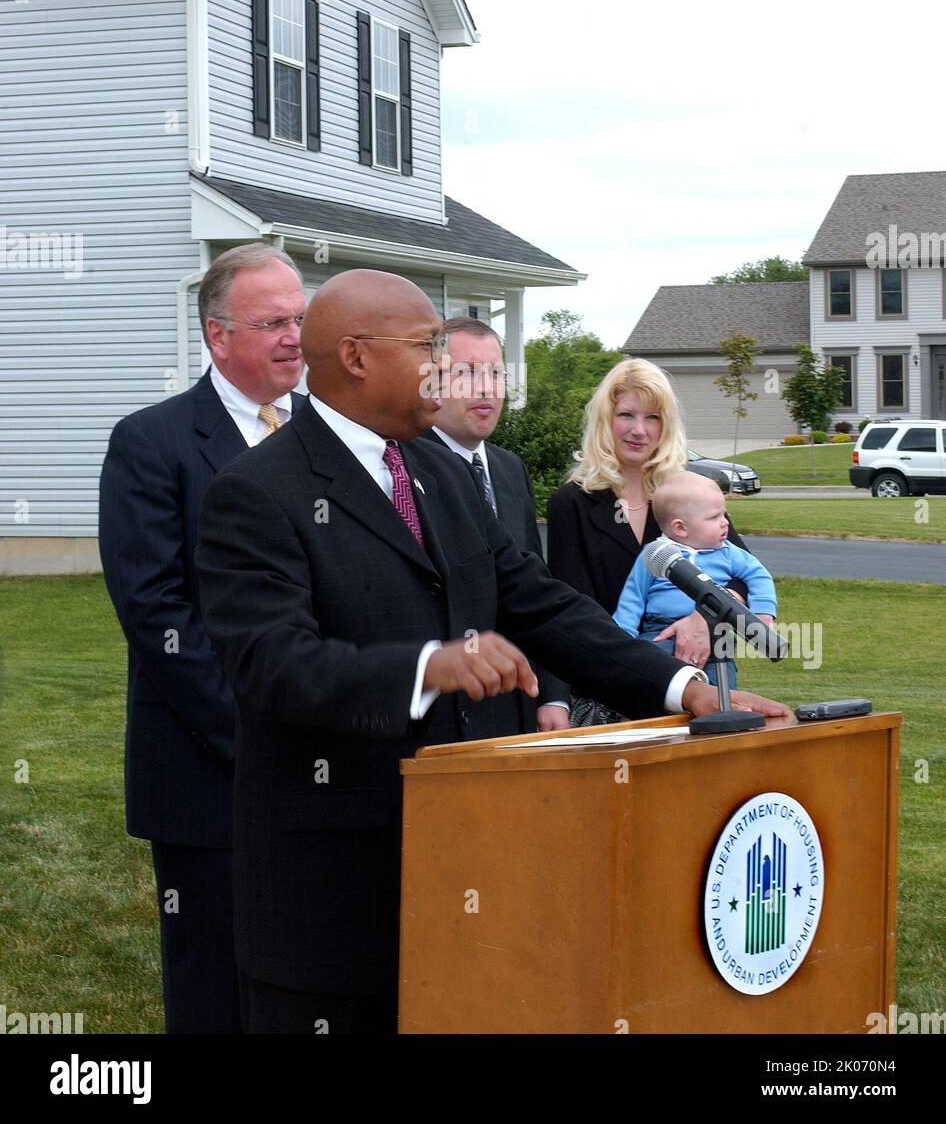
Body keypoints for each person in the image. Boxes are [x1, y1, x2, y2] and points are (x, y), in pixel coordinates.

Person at [194, 270, 789, 1034]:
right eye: (426, 348)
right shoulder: (256, 492)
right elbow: (272, 667)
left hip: (469, 865)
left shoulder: (439, 473)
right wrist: (425, 668)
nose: (444, 368)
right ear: (354, 356)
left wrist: (683, 690)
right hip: (333, 895)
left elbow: (538, 603)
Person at [98, 243, 308, 1033]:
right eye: (274, 322)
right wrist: (257, 732)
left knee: (307, 977)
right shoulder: (152, 442)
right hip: (207, 774)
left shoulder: (324, 435)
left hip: (325, 768)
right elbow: (156, 613)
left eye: (301, 318)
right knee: (216, 986)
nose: (295, 336)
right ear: (219, 337)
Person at [546, 358, 758, 725]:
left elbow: (744, 577)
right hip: (612, 688)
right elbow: (570, 611)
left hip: (702, 680)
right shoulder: (572, 503)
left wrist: (705, 617)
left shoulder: (687, 493)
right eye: (627, 415)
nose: (639, 430)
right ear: (605, 420)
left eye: (653, 418)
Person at [423, 315, 570, 731]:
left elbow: (537, 589)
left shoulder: (508, 469)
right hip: (445, 716)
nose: (486, 387)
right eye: (466, 373)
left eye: (495, 374)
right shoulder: (402, 470)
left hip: (522, 705)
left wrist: (554, 695)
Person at [612, 472, 778, 691]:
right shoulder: (655, 555)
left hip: (718, 636)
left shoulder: (729, 553)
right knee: (643, 673)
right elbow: (633, 598)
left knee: (721, 690)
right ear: (680, 528)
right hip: (660, 629)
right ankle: (632, 716)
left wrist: (763, 612)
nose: (724, 523)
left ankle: (726, 715)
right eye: (714, 517)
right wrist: (623, 639)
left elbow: (758, 575)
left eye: (724, 515)